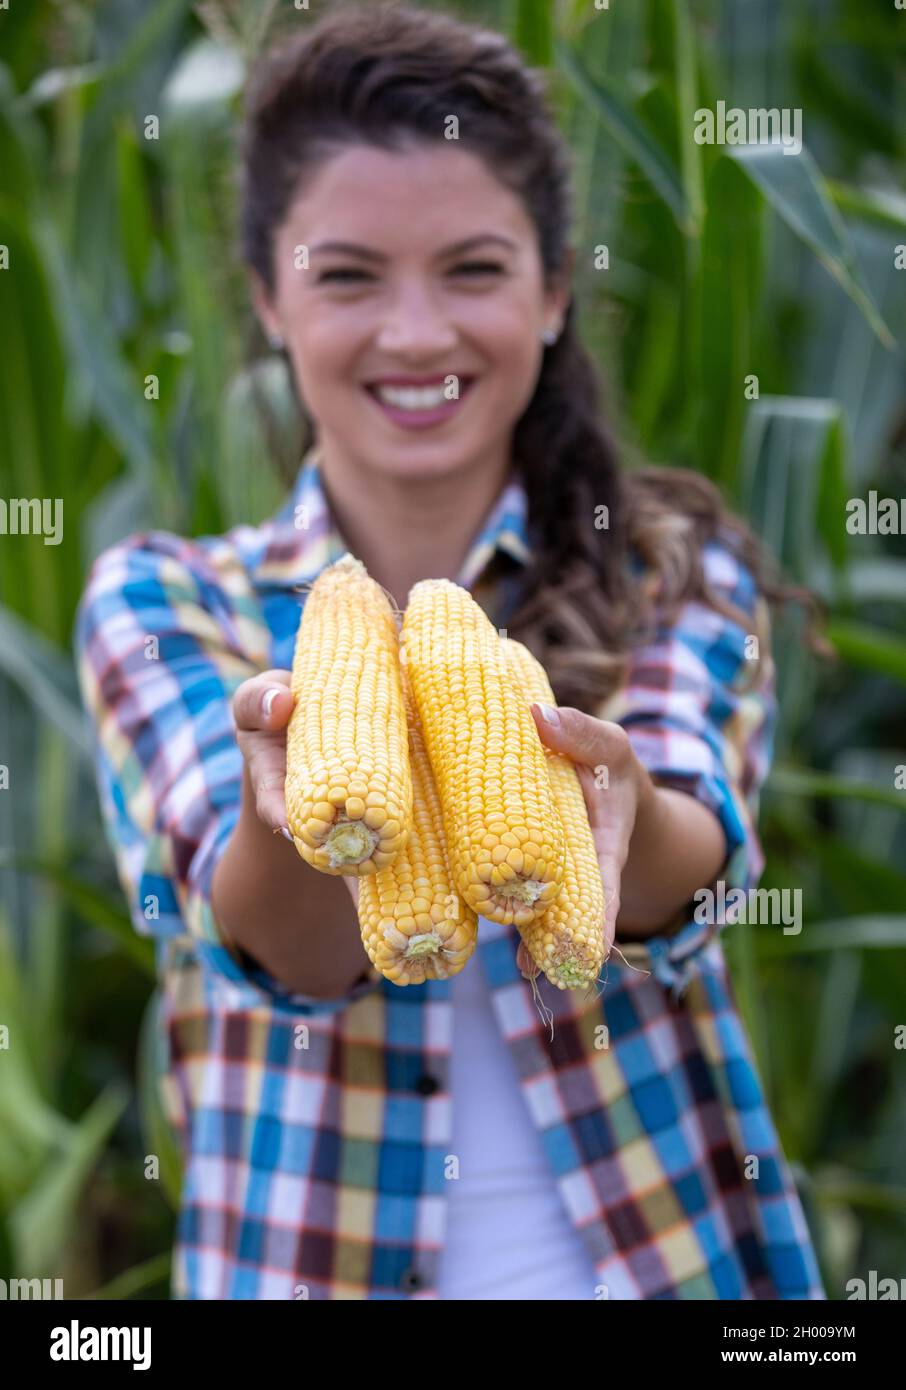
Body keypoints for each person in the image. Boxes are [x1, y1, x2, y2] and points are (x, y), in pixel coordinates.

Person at [75, 2, 826, 1300]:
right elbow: (284, 951)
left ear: (549, 293)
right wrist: (303, 808)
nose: (415, 333)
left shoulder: (666, 567)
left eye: (472, 270)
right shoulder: (164, 601)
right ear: (267, 298)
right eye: (348, 275)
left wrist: (619, 809)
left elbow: (686, 862)